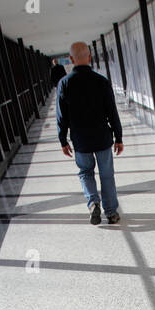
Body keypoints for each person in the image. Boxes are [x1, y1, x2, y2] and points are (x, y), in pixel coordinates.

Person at [56, 42, 123, 225]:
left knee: (85, 172)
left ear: (71, 59)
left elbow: (62, 116)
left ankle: (93, 203)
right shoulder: (101, 81)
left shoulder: (65, 83)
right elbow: (112, 111)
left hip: (80, 140)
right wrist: (119, 137)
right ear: (90, 56)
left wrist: (63, 140)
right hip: (102, 137)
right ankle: (111, 213)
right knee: (106, 174)